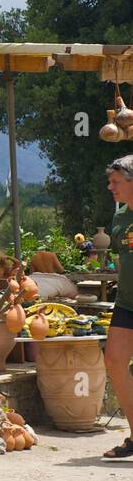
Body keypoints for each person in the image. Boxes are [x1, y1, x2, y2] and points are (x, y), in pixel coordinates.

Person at [102, 155, 133, 460]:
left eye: (116, 182)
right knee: (114, 361)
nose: (110, 186)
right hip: (127, 301)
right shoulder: (121, 216)